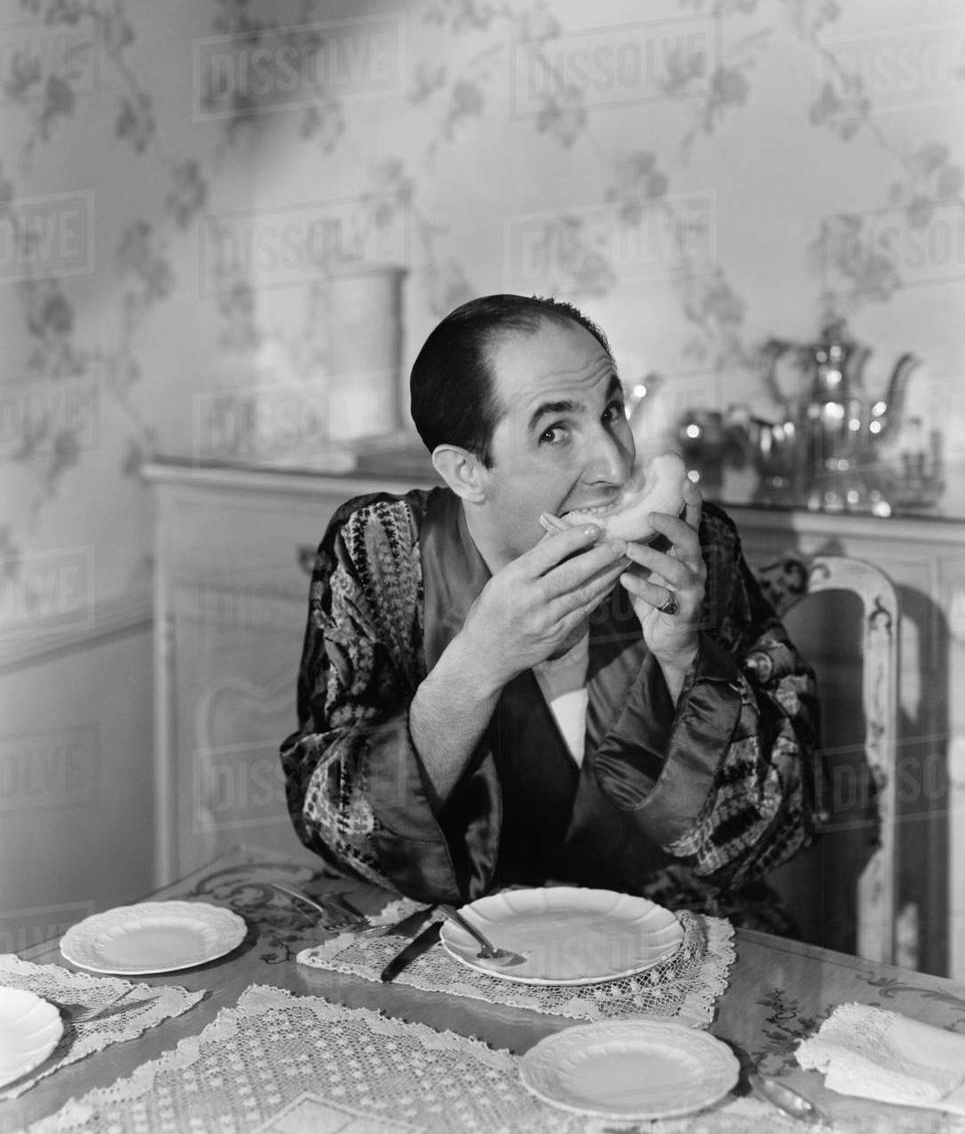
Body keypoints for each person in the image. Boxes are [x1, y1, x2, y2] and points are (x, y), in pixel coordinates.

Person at [280, 294, 827, 930]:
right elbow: (332, 825)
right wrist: (475, 666)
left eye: (612, 412)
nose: (615, 465)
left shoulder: (693, 546)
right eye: (554, 432)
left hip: (676, 930)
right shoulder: (381, 552)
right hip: (463, 937)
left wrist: (684, 659)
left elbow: (790, 815)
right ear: (467, 472)